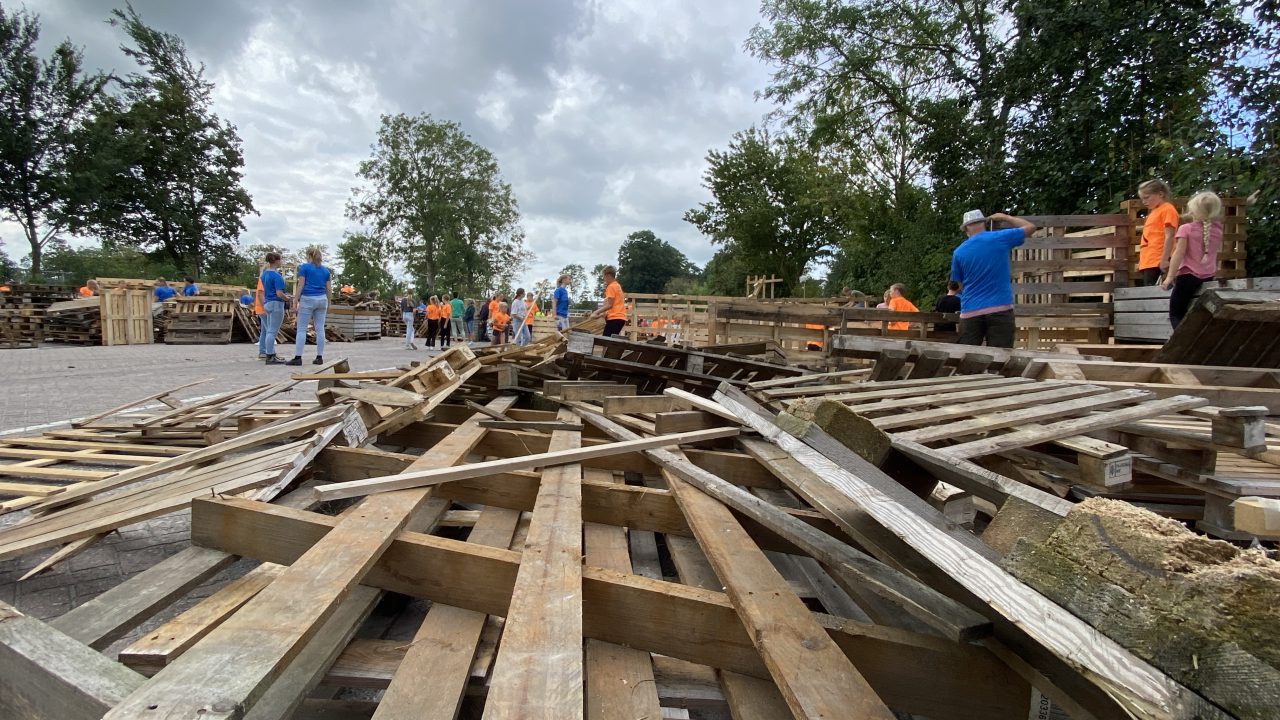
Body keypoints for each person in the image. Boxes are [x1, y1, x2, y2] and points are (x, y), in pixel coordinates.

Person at [951, 209, 1038, 348]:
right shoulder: (1000, 238)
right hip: (1000, 307)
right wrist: (1006, 217)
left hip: (971, 310)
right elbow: (1030, 227)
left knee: (966, 357)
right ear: (984, 223)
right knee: (1000, 357)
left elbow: (959, 284)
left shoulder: (959, 252)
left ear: (966, 228)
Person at [1162, 190, 1224, 329]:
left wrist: (1169, 277)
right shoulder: (1218, 230)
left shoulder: (1186, 229)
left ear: (1194, 210)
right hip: (1208, 277)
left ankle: (1181, 342)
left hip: (1188, 276)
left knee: (1176, 313)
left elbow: (1178, 254)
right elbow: (1215, 254)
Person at [286, 247, 332, 366]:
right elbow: (329, 289)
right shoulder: (326, 271)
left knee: (301, 328)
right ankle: (319, 357)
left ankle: (298, 357)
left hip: (308, 299)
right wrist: (329, 302)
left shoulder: (305, 267)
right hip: (322, 299)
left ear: (309, 256)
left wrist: (296, 299)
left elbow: (301, 285)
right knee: (320, 329)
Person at [1137, 179, 1180, 286]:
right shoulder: (1154, 212)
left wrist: (1165, 259)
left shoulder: (1167, 209)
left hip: (1158, 260)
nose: (1144, 202)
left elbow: (1170, 235)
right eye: (1142, 199)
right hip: (1149, 260)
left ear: (1160, 194)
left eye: (1147, 197)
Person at [259, 252, 289, 364]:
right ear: (276, 261)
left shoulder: (264, 275)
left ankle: (270, 354)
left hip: (268, 303)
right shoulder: (277, 276)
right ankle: (270, 355)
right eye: (280, 260)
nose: (281, 262)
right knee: (272, 331)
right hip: (277, 303)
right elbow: (279, 293)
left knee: (269, 330)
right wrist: (288, 299)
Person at [590, 266, 627, 337]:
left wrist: (596, 312)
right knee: (610, 341)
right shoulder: (617, 285)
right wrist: (605, 313)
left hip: (615, 318)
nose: (604, 279)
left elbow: (610, 304)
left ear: (608, 276)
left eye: (604, 277)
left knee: (606, 341)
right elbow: (615, 303)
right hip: (620, 317)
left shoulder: (611, 287)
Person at [253, 262, 269, 359]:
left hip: (262, 308)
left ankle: (263, 351)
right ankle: (268, 351)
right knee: (269, 330)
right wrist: (265, 306)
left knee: (265, 331)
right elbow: (260, 294)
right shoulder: (263, 279)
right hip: (263, 309)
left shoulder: (263, 279)